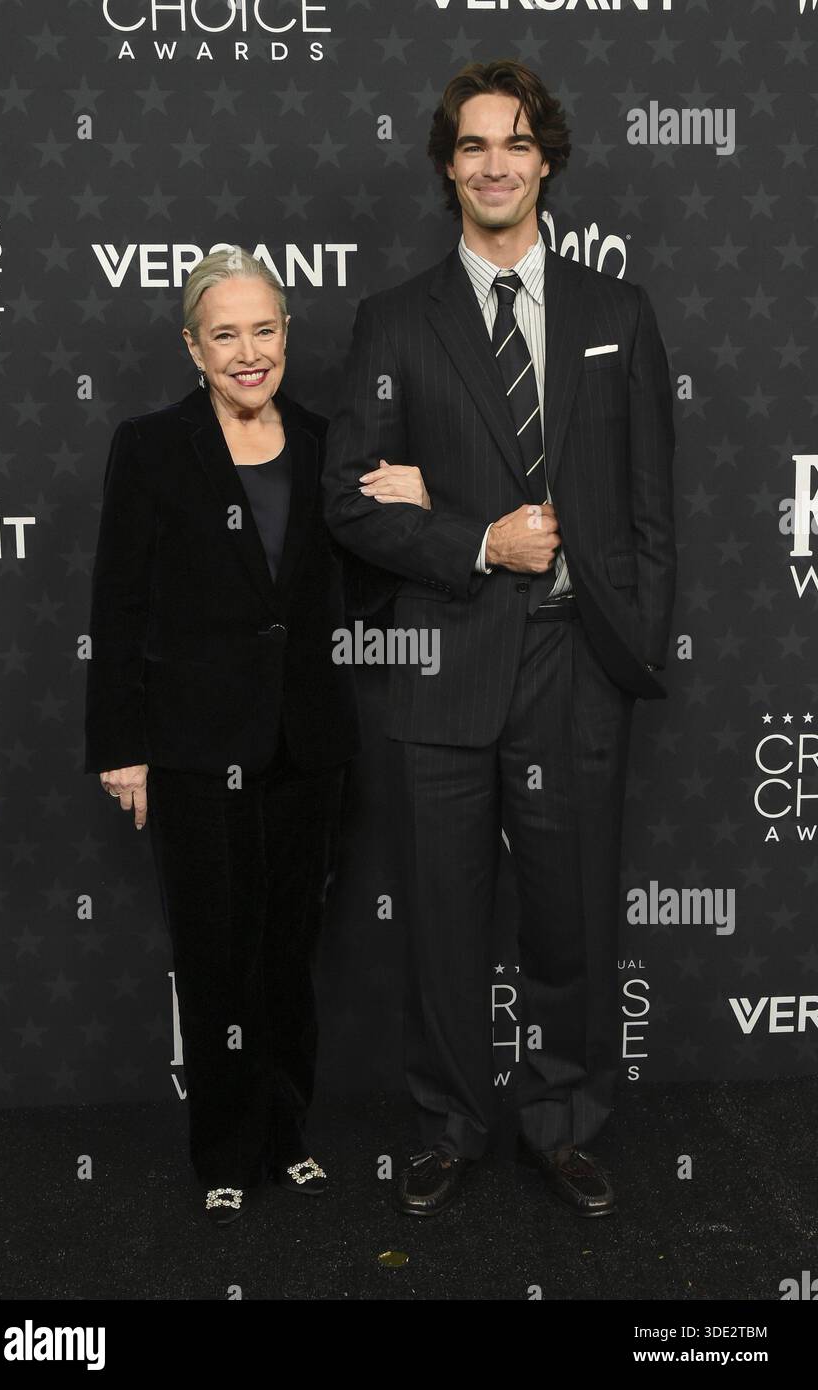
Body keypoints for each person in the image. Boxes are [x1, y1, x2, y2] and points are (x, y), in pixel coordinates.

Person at [323, 60, 676, 1219]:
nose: (494, 164)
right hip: (442, 659)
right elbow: (351, 502)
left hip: (576, 661)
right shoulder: (392, 321)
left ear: (546, 160)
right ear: (446, 167)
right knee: (441, 917)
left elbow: (648, 507)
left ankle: (564, 1117)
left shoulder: (617, 314)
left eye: (515, 144)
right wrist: (478, 540)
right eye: (472, 146)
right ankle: (450, 1121)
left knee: (572, 913)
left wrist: (637, 634)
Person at [84, 246, 360, 1225]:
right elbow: (116, 602)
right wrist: (121, 743)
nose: (250, 352)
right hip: (196, 747)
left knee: (287, 950)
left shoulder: (330, 442)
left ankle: (287, 1135)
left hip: (304, 743)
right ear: (194, 347)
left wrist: (411, 505)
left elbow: (355, 577)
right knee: (214, 952)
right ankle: (226, 1149)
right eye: (226, 334)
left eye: (266, 329)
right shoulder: (152, 445)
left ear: (288, 335)